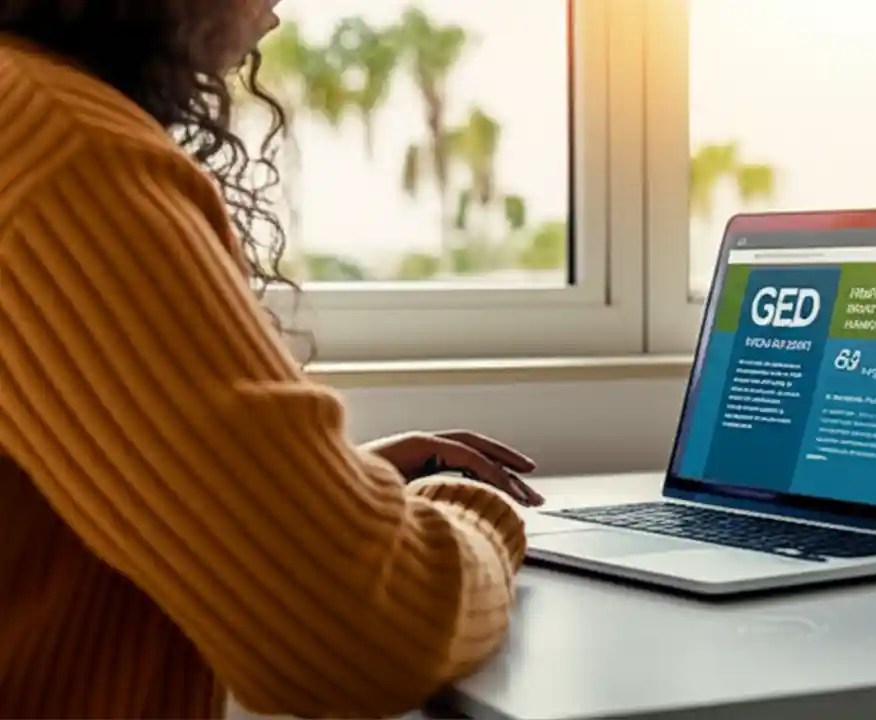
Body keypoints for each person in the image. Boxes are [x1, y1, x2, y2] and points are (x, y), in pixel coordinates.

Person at [0, 2, 545, 717]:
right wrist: (474, 511)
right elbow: (359, 631)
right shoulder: (71, 156)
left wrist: (315, 495)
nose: (273, 17)